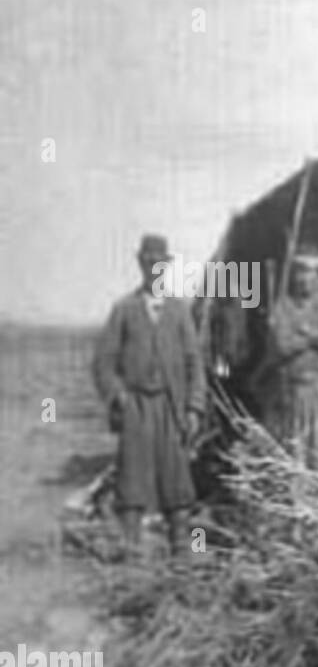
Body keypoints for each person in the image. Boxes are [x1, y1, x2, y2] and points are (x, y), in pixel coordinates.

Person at [92, 233, 206, 558]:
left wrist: (195, 408)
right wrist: (119, 396)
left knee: (176, 475)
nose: (154, 269)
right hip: (137, 404)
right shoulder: (124, 310)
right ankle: (131, 548)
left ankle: (182, 549)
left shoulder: (179, 311)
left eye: (160, 263)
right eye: (148, 262)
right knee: (132, 473)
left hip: (172, 405)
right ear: (140, 265)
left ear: (166, 268)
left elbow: (194, 362)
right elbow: (103, 362)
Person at [262, 244, 318, 476]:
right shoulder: (284, 306)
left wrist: (309, 334)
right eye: (298, 273)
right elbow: (281, 345)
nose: (303, 280)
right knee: (294, 451)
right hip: (292, 392)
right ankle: (297, 507)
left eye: (309, 274)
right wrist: (311, 340)